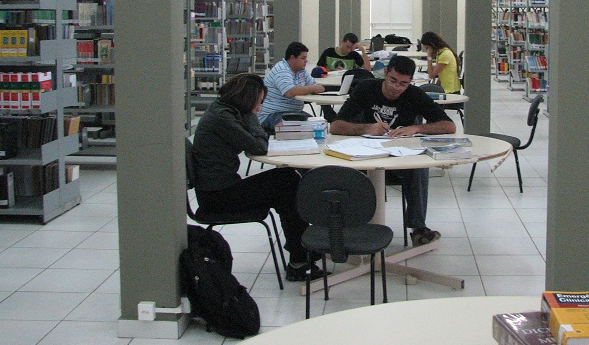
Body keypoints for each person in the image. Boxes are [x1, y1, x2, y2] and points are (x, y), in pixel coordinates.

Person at [191, 73, 324, 281]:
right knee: (287, 182)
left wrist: (250, 115)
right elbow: (259, 146)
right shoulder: (222, 118)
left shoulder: (224, 111)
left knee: (287, 182)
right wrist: (252, 115)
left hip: (219, 188)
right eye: (259, 102)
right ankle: (300, 257)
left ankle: (301, 254)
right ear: (248, 99)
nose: (260, 107)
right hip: (217, 196)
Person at [330, 55, 455, 245]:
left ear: (410, 81)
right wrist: (367, 128)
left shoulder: (414, 95)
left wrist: (416, 128)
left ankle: (418, 228)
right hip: (364, 156)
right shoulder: (366, 88)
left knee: (419, 167)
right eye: (393, 81)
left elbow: (449, 126)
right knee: (341, 169)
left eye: (403, 84)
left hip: (400, 159)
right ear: (385, 73)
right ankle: (351, 226)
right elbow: (336, 126)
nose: (397, 88)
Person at [258, 41, 324, 133]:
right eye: (303, 58)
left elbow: (317, 86)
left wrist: (314, 88)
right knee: (308, 129)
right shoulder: (281, 70)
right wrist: (313, 88)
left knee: (319, 126)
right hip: (273, 114)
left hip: (293, 112)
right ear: (293, 58)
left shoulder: (301, 71)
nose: (306, 61)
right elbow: (290, 92)